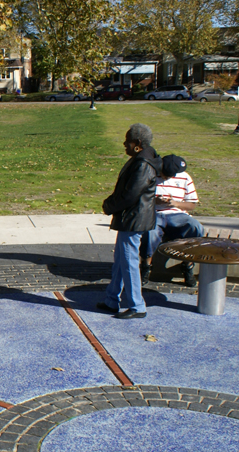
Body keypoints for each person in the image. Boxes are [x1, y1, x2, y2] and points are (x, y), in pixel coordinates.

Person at [100, 123, 161, 319]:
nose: (124, 145)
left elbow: (130, 195)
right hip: (132, 218)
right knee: (120, 260)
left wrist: (109, 205)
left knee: (129, 262)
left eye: (128, 141)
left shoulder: (143, 164)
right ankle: (112, 300)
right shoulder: (142, 159)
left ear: (138, 144)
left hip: (134, 219)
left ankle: (137, 305)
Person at [139, 154, 204, 287]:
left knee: (196, 227)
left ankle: (187, 265)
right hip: (155, 213)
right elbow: (140, 198)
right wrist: (155, 201)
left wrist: (175, 203)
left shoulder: (185, 177)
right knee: (150, 231)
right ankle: (145, 267)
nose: (166, 178)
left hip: (177, 214)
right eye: (165, 175)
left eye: (170, 175)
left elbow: (192, 205)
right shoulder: (150, 174)